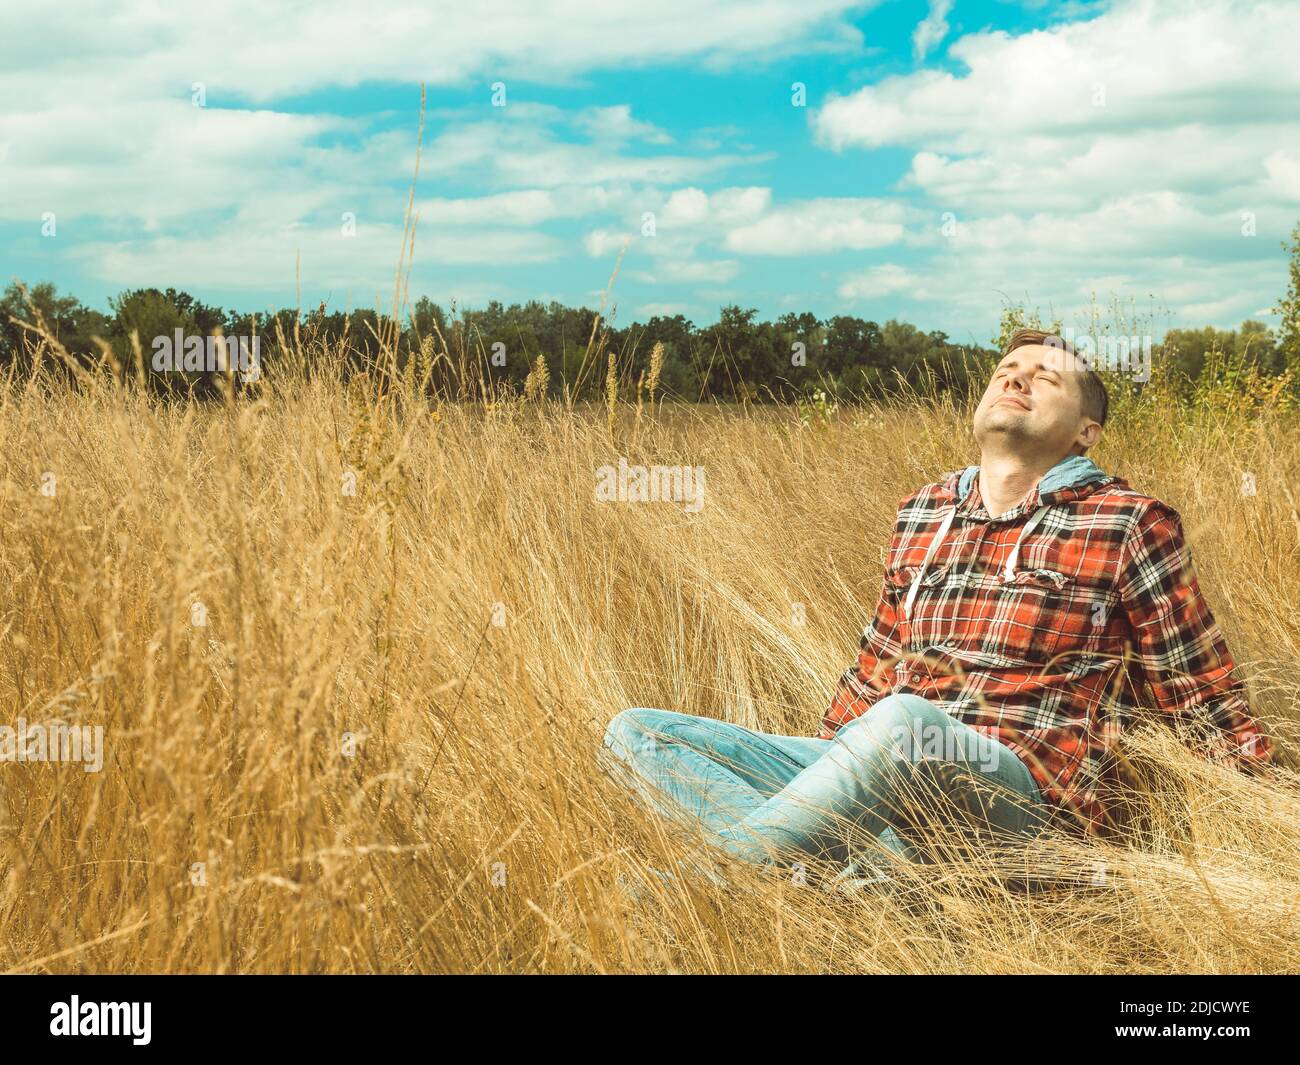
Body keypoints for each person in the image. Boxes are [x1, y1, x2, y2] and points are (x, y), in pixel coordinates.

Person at [599, 328, 1274, 893]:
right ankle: (855, 872)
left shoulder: (1126, 521)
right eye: (1006, 370)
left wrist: (1265, 806)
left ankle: (704, 885)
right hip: (892, 769)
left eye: (1045, 378)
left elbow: (1199, 689)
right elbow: (876, 663)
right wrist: (837, 774)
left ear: (1085, 432)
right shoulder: (924, 511)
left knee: (903, 725)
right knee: (637, 734)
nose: (1016, 380)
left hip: (1018, 803)